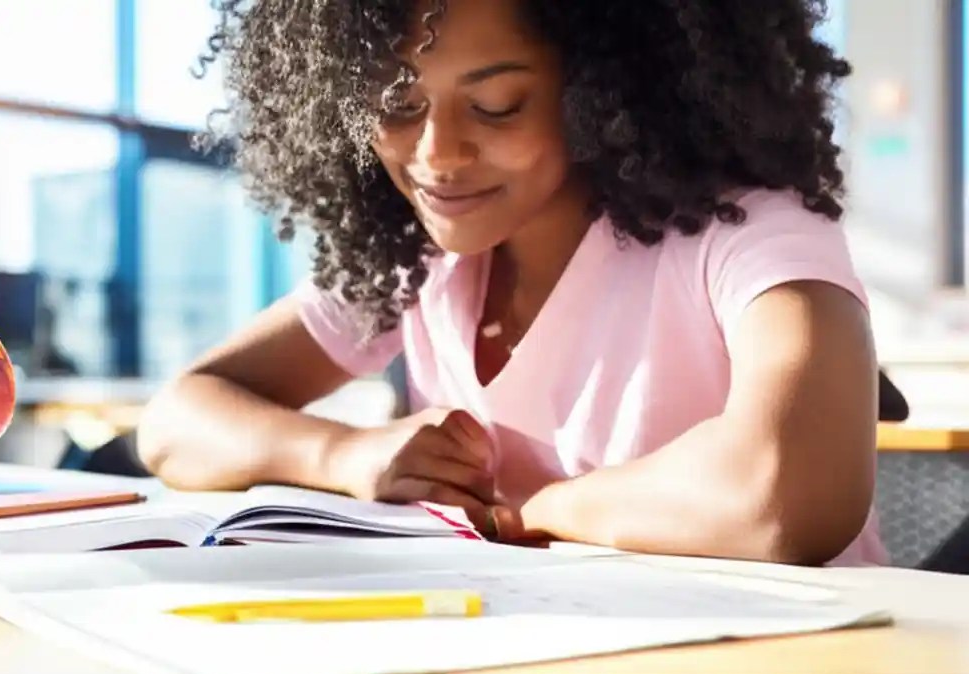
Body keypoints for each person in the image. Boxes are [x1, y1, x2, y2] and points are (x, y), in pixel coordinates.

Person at [136, 0, 886, 567]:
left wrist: (542, 511)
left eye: (496, 105)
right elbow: (174, 423)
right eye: (397, 106)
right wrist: (345, 457)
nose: (439, 154)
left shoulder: (748, 234)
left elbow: (784, 495)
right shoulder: (415, 262)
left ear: (606, 89)